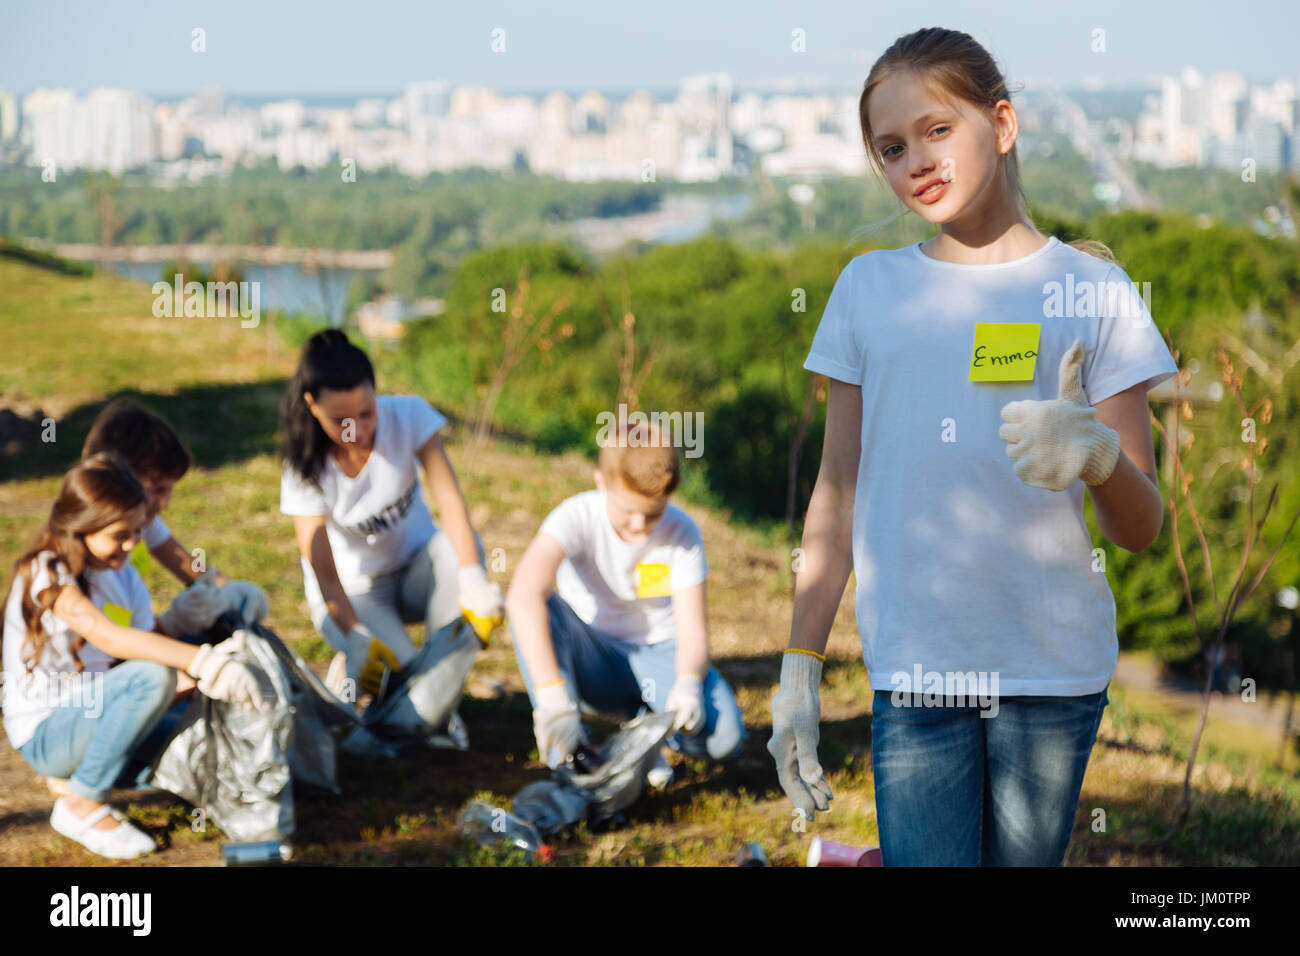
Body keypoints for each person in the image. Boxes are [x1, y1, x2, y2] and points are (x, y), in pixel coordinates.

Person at [768, 27, 1179, 866]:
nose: (913, 159)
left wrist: (1098, 456)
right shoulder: (865, 289)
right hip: (916, 669)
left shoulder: (1096, 292)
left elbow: (1142, 529)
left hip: (1051, 675)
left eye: (936, 130)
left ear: (1002, 123)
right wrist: (800, 670)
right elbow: (835, 497)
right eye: (890, 147)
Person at [3, 453, 267, 859]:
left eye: (138, 532)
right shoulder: (46, 573)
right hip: (49, 732)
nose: (132, 544)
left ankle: (110, 771)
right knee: (153, 679)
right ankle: (82, 802)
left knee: (203, 740)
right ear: (82, 527)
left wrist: (186, 628)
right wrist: (201, 661)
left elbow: (145, 639)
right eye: (119, 534)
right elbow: (110, 637)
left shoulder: (124, 575)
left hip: (102, 708)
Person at [506, 420, 746, 787]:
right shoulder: (576, 517)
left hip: (659, 655)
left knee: (725, 737)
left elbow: (693, 632)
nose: (639, 526)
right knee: (535, 607)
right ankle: (569, 750)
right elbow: (523, 594)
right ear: (601, 482)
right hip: (591, 655)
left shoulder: (683, 533)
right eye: (627, 510)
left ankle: (645, 739)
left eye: (653, 514)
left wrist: (687, 684)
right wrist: (552, 694)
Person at [278, 329, 503, 703]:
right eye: (340, 420)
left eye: (366, 413)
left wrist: (473, 579)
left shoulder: (409, 416)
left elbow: (450, 502)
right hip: (355, 592)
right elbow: (322, 569)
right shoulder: (303, 466)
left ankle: (440, 683)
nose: (358, 430)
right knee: (407, 684)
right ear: (311, 405)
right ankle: (357, 665)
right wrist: (354, 633)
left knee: (458, 554)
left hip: (416, 570)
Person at [81, 399, 271, 635]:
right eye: (158, 489)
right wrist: (171, 624)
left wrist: (229, 590)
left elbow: (191, 567)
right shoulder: (85, 553)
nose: (166, 504)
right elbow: (117, 647)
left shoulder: (138, 522)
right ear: (119, 480)